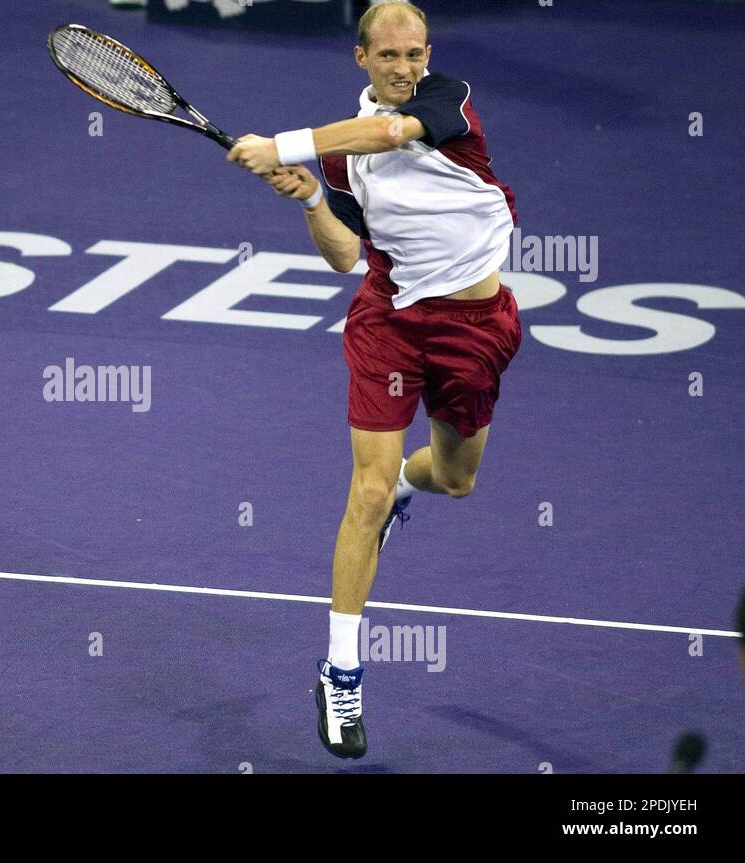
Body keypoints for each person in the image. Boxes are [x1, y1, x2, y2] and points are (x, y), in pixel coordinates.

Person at [227, 1, 521, 759]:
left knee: (455, 479)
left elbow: (389, 134)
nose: (404, 68)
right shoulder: (339, 156)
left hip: (476, 326)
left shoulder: (446, 100)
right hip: (389, 323)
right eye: (389, 56)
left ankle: (406, 491)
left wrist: (278, 144)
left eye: (414, 53)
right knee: (366, 489)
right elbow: (344, 257)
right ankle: (342, 671)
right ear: (360, 58)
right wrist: (310, 199)